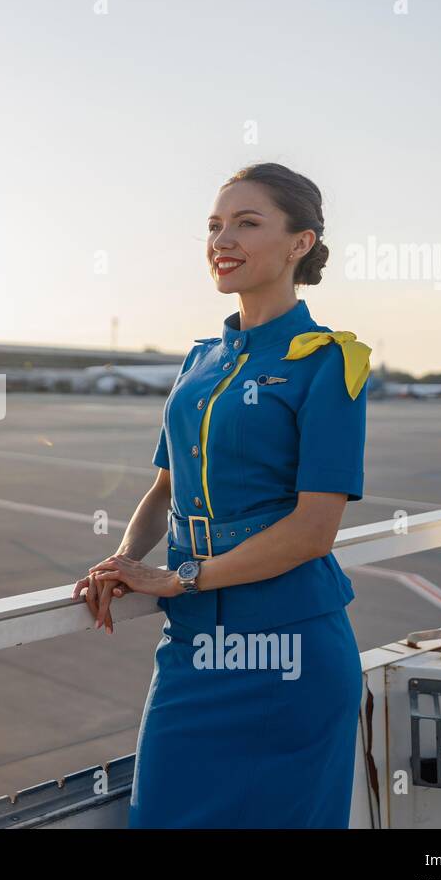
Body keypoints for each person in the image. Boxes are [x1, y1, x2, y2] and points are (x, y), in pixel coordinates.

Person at [73, 162, 372, 827]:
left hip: (293, 649)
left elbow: (312, 531)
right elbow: (163, 490)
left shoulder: (329, 362)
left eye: (247, 222)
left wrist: (179, 578)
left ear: (301, 242)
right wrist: (124, 559)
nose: (222, 240)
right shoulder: (199, 362)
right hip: (193, 653)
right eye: (214, 226)